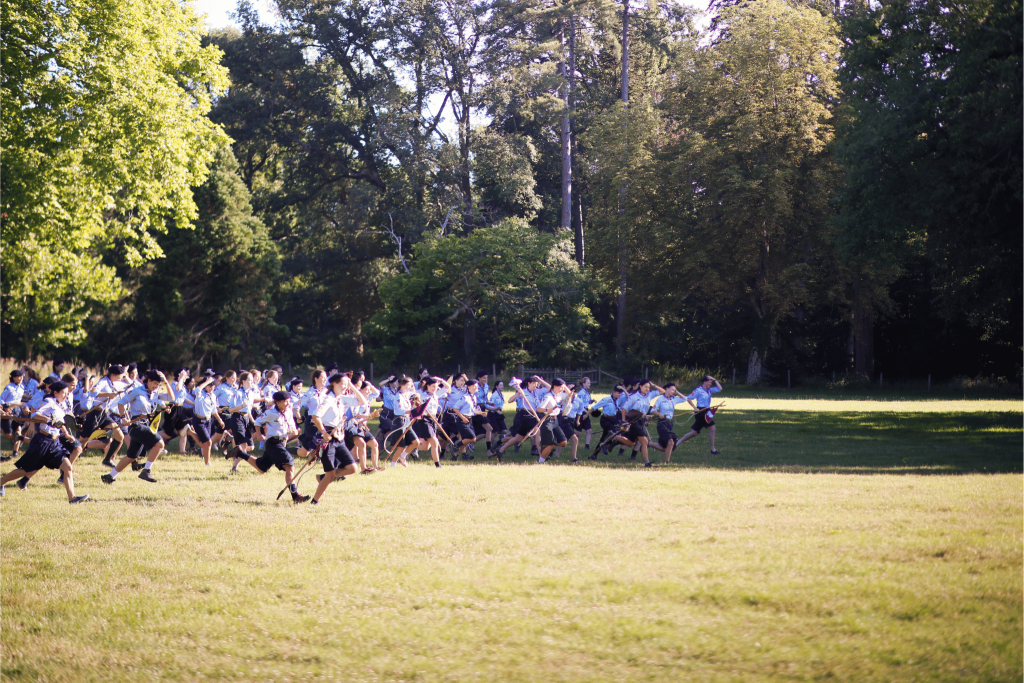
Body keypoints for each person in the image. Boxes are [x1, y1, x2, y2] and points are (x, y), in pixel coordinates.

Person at [0, 381, 89, 503]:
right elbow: (35, 414)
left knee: (68, 467)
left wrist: (67, 434)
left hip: (55, 442)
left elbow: (60, 422)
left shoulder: (61, 405)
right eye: (63, 393)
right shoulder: (49, 402)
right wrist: (48, 420)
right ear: (56, 392)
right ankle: (1, 482)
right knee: (26, 470)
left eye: (67, 393)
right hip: (42, 441)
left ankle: (72, 498)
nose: (65, 395)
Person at [102, 370, 175, 484]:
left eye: (159, 384)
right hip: (136, 426)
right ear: (149, 380)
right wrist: (123, 417)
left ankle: (110, 477)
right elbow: (121, 403)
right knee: (160, 443)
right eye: (155, 383)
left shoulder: (156, 393)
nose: (157, 386)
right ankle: (147, 471)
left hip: (146, 424)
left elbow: (171, 398)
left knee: (131, 457)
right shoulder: (137, 391)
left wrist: (165, 382)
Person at [235, 391, 309, 503]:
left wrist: (294, 431)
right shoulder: (270, 412)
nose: (288, 403)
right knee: (289, 466)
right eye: (286, 401)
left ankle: (240, 453)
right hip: (273, 442)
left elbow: (292, 426)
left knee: (261, 468)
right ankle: (295, 496)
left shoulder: (288, 411)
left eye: (289, 401)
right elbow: (258, 422)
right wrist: (259, 434)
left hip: (283, 442)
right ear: (278, 402)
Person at [308, 373, 366, 504]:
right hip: (328, 439)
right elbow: (316, 416)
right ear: (334, 383)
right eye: (342, 384)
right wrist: (323, 433)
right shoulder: (329, 399)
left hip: (339, 438)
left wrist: (351, 385)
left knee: (352, 468)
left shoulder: (342, 399)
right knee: (331, 474)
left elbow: (362, 401)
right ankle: (314, 501)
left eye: (346, 384)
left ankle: (323, 477)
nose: (345, 386)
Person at [85, 364, 130, 468]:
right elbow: (92, 393)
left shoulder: (114, 382)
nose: (121, 377)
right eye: (120, 375)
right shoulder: (104, 381)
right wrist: (108, 395)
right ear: (113, 374)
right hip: (95, 414)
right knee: (83, 440)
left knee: (119, 436)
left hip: (104, 414)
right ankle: (74, 447)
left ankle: (107, 459)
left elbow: (128, 385)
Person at [679, 375, 723, 454]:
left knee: (694, 432)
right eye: (709, 382)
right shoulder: (698, 390)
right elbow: (689, 398)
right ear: (704, 382)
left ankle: (677, 442)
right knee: (712, 429)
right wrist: (694, 407)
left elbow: (720, 388)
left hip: (707, 411)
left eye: (711, 382)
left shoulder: (709, 390)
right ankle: (713, 449)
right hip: (700, 412)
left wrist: (715, 379)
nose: (710, 383)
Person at [650, 383, 689, 463]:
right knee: (671, 442)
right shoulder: (660, 399)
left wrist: (677, 392)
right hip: (662, 423)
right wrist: (659, 414)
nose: (673, 391)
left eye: (675, 390)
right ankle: (666, 462)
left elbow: (685, 399)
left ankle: (649, 444)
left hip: (670, 423)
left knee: (664, 448)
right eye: (672, 389)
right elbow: (652, 410)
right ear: (666, 389)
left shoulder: (674, 399)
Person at [190, 376, 225, 466]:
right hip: (199, 420)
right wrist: (207, 381)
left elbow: (213, 410)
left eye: (213, 386)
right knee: (208, 442)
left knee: (205, 443)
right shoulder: (200, 393)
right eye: (209, 386)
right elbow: (197, 389)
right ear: (205, 386)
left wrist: (220, 420)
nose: (211, 388)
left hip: (208, 421)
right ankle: (207, 463)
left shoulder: (213, 396)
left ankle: (190, 432)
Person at [587, 385, 627, 460]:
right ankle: (605, 445)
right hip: (605, 419)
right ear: (614, 392)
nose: (619, 395)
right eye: (618, 393)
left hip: (613, 419)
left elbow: (629, 398)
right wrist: (586, 415)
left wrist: (624, 389)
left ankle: (594, 454)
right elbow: (594, 407)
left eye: (620, 394)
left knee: (604, 439)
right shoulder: (606, 399)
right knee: (612, 434)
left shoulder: (618, 400)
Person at [536, 379, 569, 463]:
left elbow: (570, 394)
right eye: (561, 387)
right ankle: (540, 462)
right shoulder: (548, 396)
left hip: (555, 420)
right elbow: (539, 409)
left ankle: (545, 442)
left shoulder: (560, 395)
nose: (562, 389)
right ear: (555, 386)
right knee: (551, 445)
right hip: (547, 421)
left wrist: (564, 386)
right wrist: (547, 409)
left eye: (563, 387)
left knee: (564, 442)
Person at [1, 369, 27, 461]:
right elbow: (1, 399)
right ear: (13, 378)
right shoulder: (8, 387)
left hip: (18, 410)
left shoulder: (23, 387)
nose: (19, 378)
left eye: (21, 376)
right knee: (8, 434)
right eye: (17, 377)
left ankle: (15, 452)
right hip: (8, 410)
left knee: (18, 430)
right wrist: (6, 407)